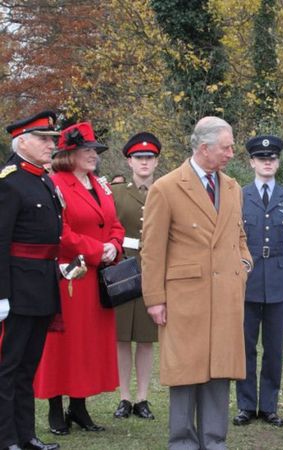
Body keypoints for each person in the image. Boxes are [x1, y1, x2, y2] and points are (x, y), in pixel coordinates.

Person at [141, 116, 252, 449]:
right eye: (226, 146)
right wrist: (154, 299)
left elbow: (238, 234)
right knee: (185, 376)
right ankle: (183, 444)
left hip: (226, 299)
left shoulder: (232, 187)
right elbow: (152, 250)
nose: (232, 153)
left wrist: (244, 263)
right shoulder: (167, 187)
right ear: (204, 148)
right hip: (184, 300)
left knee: (220, 375)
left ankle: (214, 443)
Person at [33, 122, 123, 436]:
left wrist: (114, 244)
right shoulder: (55, 183)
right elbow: (61, 232)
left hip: (97, 279)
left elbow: (114, 222)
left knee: (87, 345)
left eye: (94, 151)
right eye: (86, 151)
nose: (92, 156)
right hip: (70, 278)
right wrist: (99, 249)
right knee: (63, 345)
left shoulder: (100, 184)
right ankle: (56, 408)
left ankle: (79, 406)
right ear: (68, 154)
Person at [233, 135, 283, 427]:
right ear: (251, 162)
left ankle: (269, 406)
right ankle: (246, 405)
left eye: (272, 158)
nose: (267, 162)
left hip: (279, 281)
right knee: (245, 347)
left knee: (274, 349)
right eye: (261, 158)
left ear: (278, 162)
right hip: (247, 280)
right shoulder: (239, 196)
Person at [0, 111, 62, 450]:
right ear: (22, 141)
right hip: (17, 290)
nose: (50, 145)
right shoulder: (9, 181)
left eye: (52, 139)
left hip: (42, 287)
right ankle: (6, 437)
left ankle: (26, 435)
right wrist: (1, 295)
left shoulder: (42, 179)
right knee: (7, 367)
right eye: (44, 139)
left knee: (27, 367)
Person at [110, 132, 161, 421]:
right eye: (139, 158)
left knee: (145, 337)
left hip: (153, 269)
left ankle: (143, 398)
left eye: (149, 158)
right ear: (129, 161)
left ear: (156, 161)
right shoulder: (115, 193)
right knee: (120, 338)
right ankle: (124, 397)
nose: (144, 162)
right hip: (123, 269)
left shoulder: (165, 190)